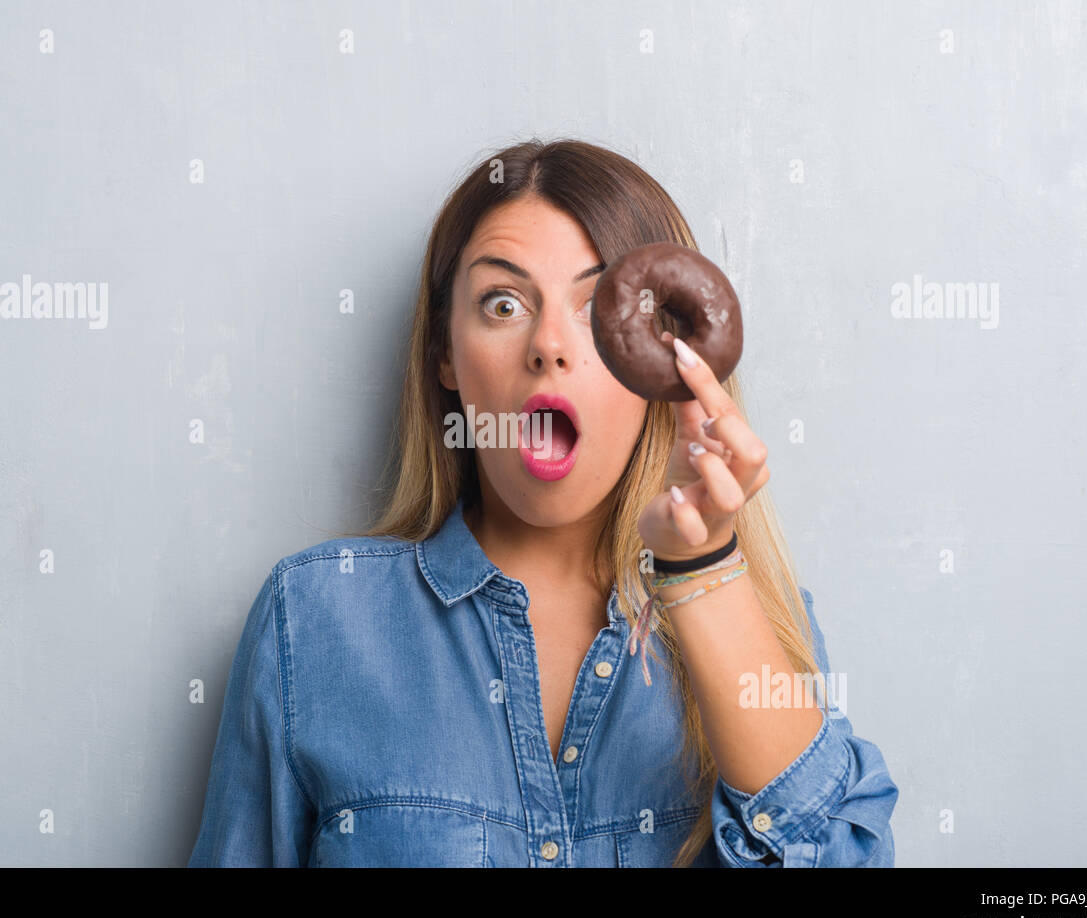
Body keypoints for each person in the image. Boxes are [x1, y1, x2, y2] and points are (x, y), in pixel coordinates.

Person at [188, 137, 899, 867]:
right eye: (504, 303)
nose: (550, 344)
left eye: (597, 307)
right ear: (445, 356)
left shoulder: (756, 625)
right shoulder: (313, 618)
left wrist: (701, 568)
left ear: (666, 361)